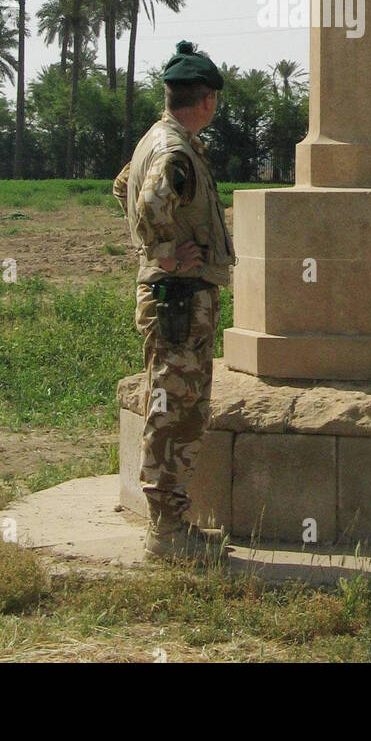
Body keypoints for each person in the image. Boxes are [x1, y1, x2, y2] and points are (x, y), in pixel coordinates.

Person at [113, 40, 235, 558]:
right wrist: (166, 254)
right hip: (179, 297)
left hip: (176, 297)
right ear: (205, 100)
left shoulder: (156, 140)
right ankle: (166, 533)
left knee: (176, 403)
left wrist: (159, 249)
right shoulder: (176, 150)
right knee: (176, 411)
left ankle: (171, 524)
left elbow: (121, 187)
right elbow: (147, 199)